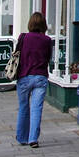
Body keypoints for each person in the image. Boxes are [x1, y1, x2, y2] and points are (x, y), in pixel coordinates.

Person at [14, 12, 54, 148]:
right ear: (44, 25)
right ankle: (33, 139)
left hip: (24, 76)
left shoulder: (23, 37)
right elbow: (48, 58)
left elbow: (17, 55)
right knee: (37, 109)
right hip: (40, 77)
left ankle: (21, 137)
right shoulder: (47, 40)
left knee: (23, 107)